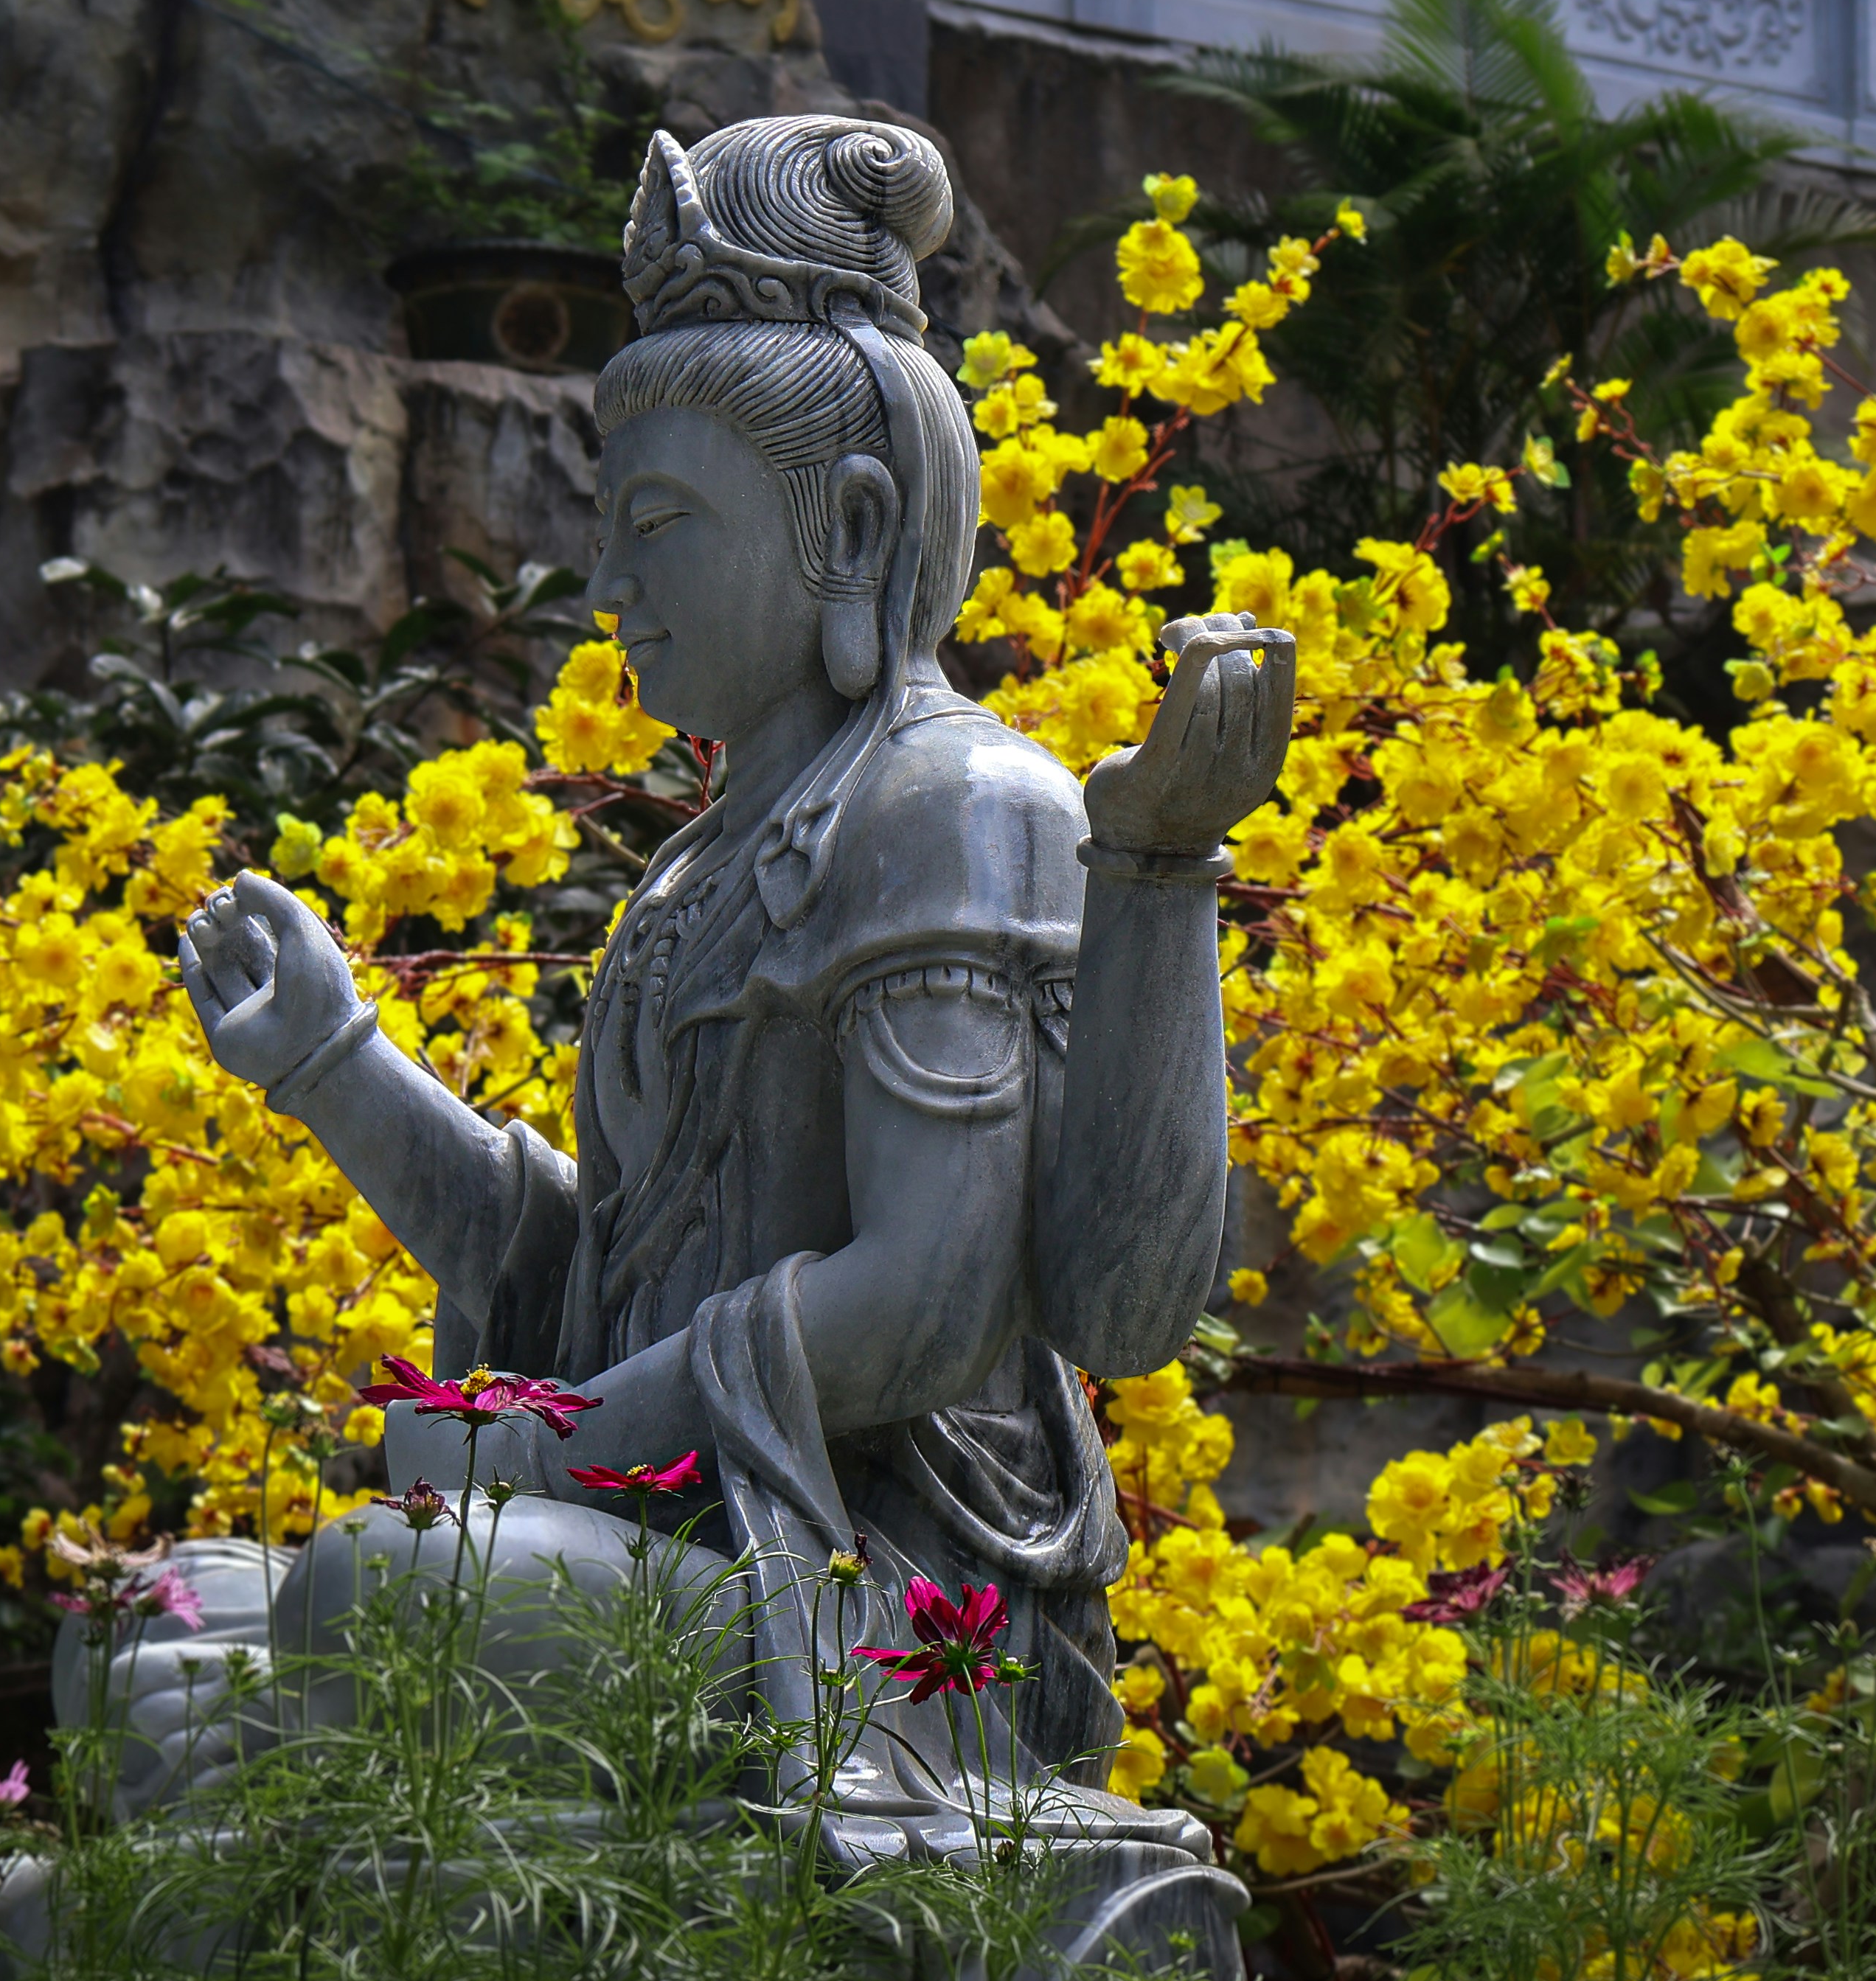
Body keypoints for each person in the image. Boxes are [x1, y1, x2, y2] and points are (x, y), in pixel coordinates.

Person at [176, 115, 1289, 1878]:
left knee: (375, 1589)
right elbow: (593, 1272)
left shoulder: (957, 805)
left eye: (656, 525)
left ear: (847, 526)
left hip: (867, 1614)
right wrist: (334, 1064)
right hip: (672, 1537)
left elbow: (925, 1305)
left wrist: (554, 1456)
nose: (607, 585)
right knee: (166, 1611)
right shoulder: (705, 862)